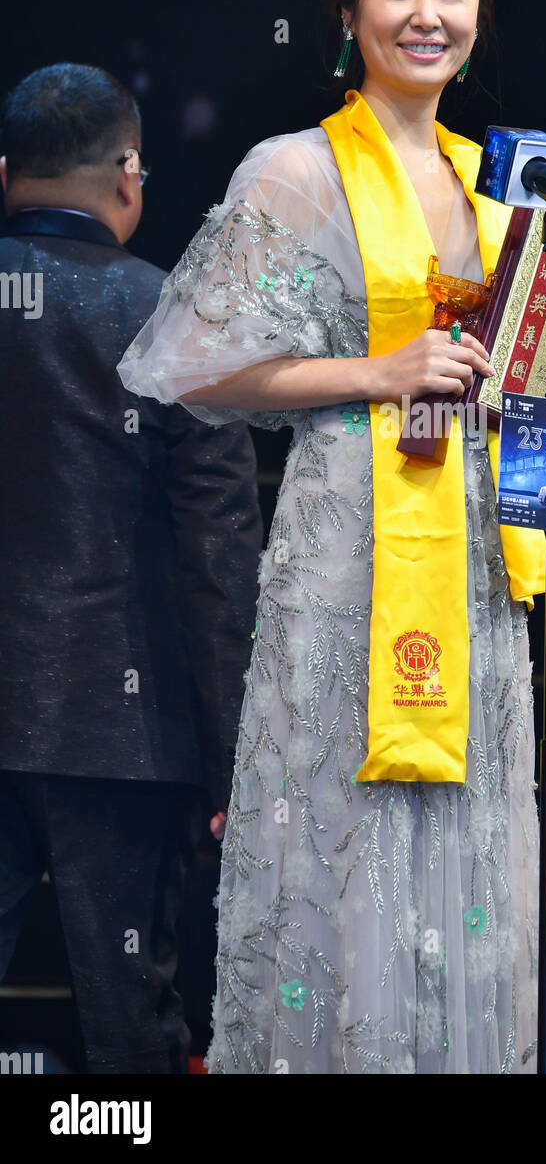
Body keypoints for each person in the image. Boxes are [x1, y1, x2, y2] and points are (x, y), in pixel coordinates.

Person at [117, 0, 546, 1074]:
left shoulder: (510, 185)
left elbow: (530, 390)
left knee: (465, 860)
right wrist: (375, 372)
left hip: (473, 563)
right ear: (348, 6)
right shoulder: (293, 171)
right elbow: (200, 371)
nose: (428, 13)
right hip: (344, 558)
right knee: (343, 838)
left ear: (480, 10)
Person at [0, 63, 263, 1073]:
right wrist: (235, 757)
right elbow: (219, 562)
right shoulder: (176, 321)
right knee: (130, 1033)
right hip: (122, 732)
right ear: (129, 177)